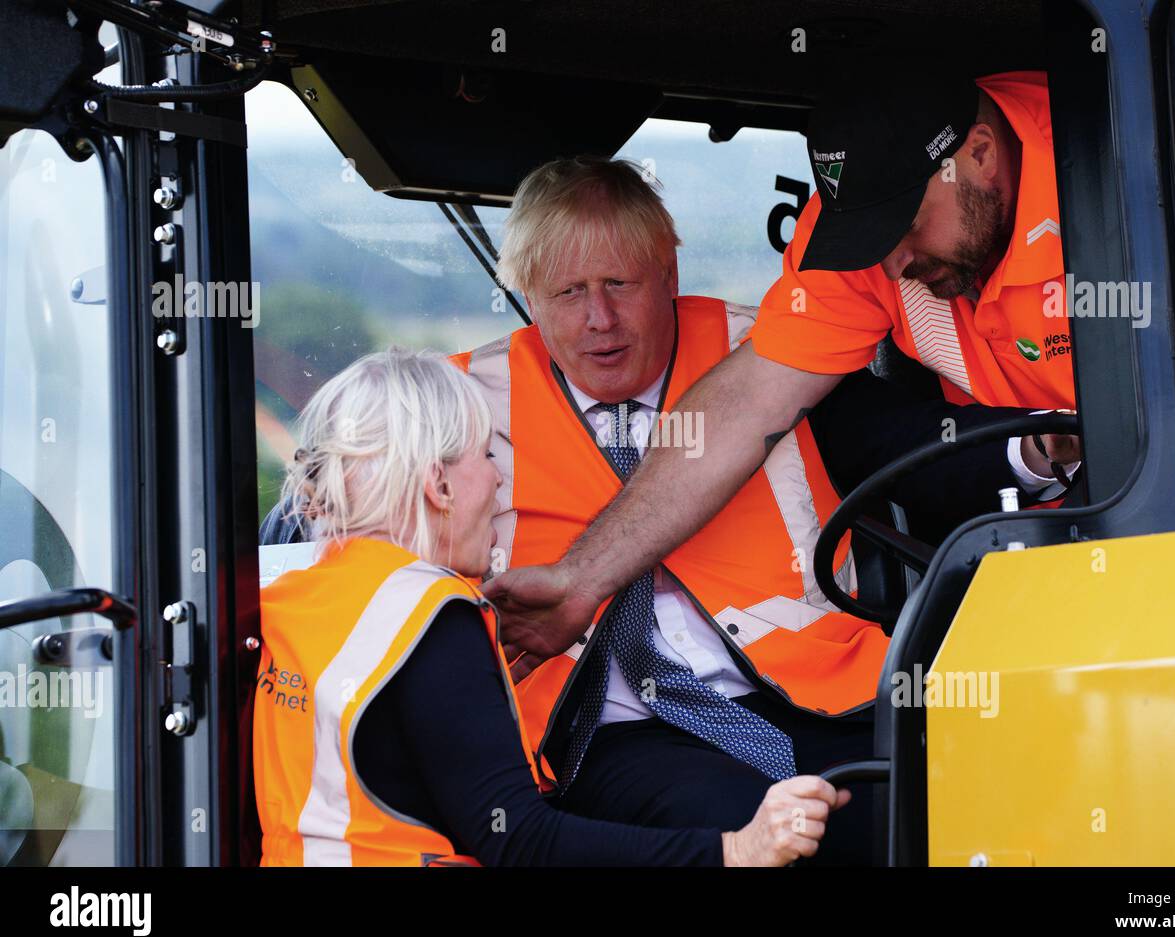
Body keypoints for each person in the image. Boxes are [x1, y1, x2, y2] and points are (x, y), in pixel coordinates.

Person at [483, 71, 1083, 693]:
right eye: (568, 292)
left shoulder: (1149, 161)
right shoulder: (862, 228)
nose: (894, 264)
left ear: (980, 155)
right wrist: (581, 581)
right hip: (1049, 543)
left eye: (905, 228)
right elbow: (747, 406)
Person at [253, 348, 848, 866]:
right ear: (439, 485)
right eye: (486, 456)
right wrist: (735, 852)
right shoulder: (430, 614)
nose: (497, 482)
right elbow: (520, 843)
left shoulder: (289, 599)